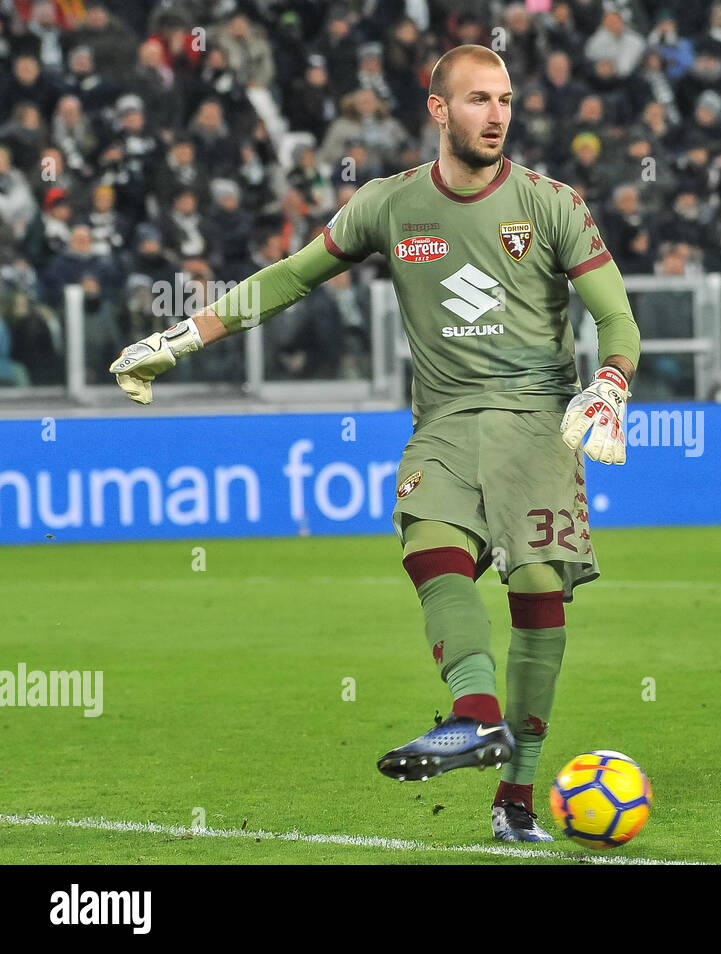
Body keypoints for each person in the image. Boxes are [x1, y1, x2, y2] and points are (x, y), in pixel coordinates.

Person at [108, 45, 641, 844]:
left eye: (504, 100)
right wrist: (185, 335)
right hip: (445, 422)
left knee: (535, 596)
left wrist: (610, 383)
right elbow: (289, 277)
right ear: (438, 110)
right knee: (429, 545)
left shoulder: (552, 202)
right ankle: (474, 715)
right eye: (477, 100)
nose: (496, 115)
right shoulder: (389, 205)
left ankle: (516, 798)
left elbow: (619, 316)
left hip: (537, 421)